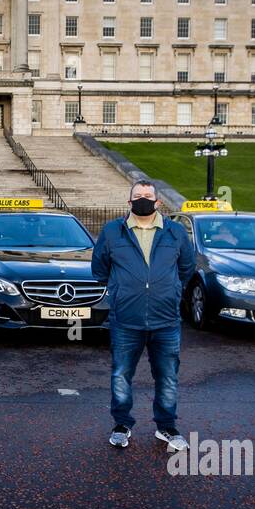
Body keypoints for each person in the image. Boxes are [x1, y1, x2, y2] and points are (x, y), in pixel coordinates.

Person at [91, 180, 196, 451]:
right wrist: (120, 289)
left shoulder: (175, 232)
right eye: (137, 196)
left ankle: (166, 427)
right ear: (129, 202)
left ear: (158, 202)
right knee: (121, 374)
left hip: (166, 319)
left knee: (167, 376)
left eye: (148, 196)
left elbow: (186, 267)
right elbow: (99, 267)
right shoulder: (113, 231)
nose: (143, 200)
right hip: (126, 318)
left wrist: (168, 290)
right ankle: (122, 424)